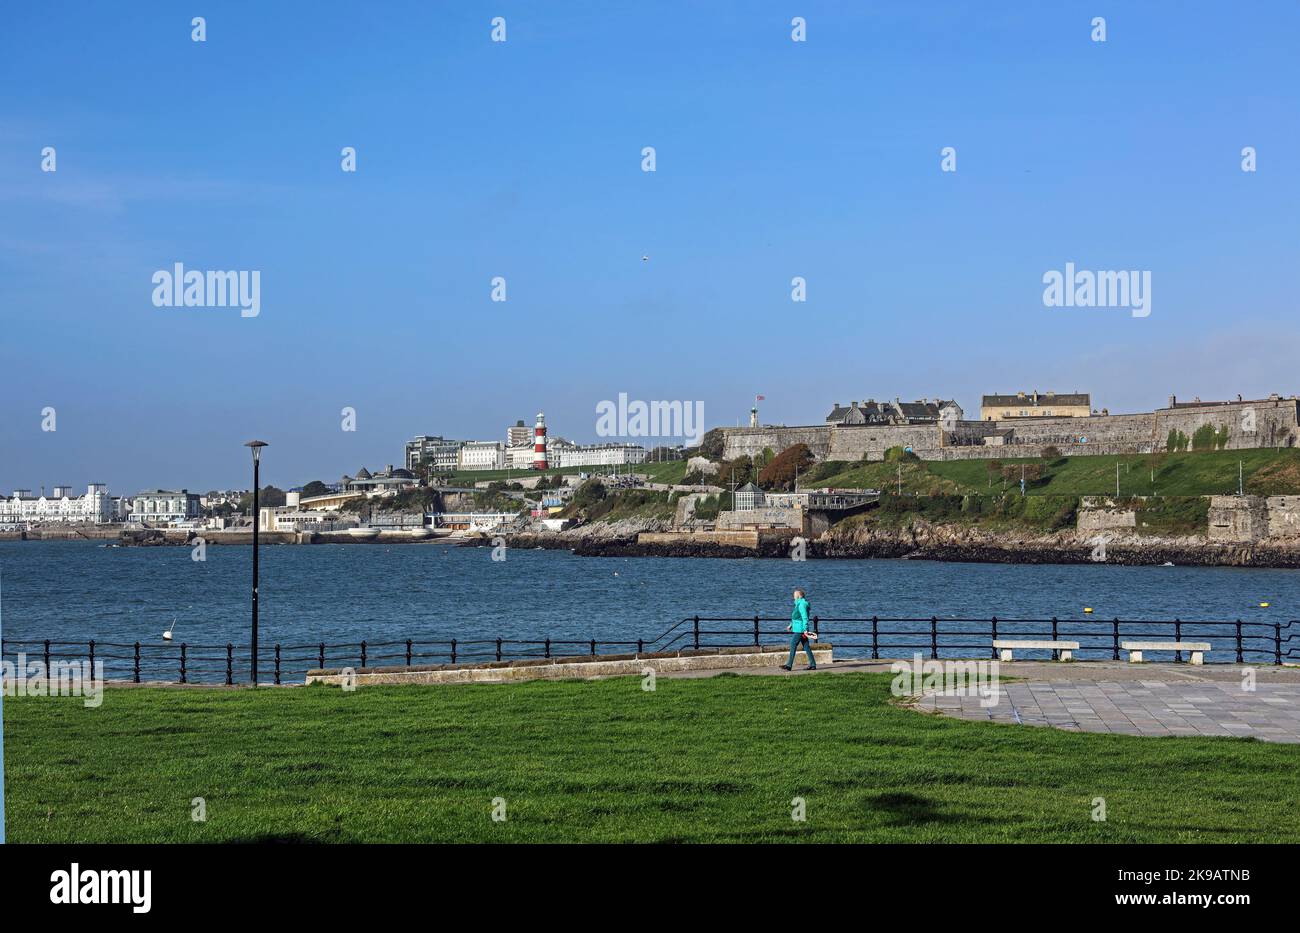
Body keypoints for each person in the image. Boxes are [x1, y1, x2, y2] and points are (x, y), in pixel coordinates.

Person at [781, 588, 817, 671]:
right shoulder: (798, 604)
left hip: (800, 630)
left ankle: (789, 665)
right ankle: (813, 664)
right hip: (798, 628)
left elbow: (804, 617)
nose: (793, 596)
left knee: (793, 644)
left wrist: (805, 629)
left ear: (799, 596)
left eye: (794, 595)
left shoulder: (802, 604)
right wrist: (791, 625)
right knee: (806, 647)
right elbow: (796, 617)